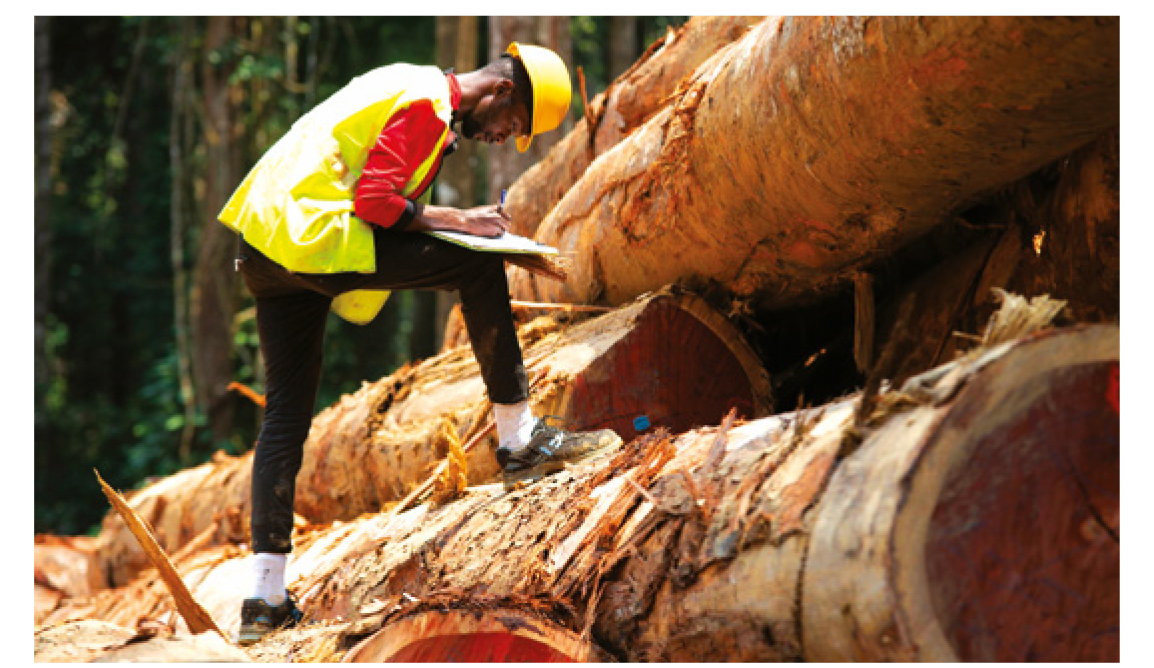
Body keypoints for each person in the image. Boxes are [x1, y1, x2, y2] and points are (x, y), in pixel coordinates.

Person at [219, 44, 621, 646]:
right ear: (505, 91)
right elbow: (376, 205)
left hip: (267, 245)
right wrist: (464, 221)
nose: (502, 137)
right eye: (512, 127)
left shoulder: (405, 81)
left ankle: (264, 599)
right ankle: (519, 441)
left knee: (283, 418)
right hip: (312, 239)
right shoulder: (428, 105)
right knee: (480, 267)